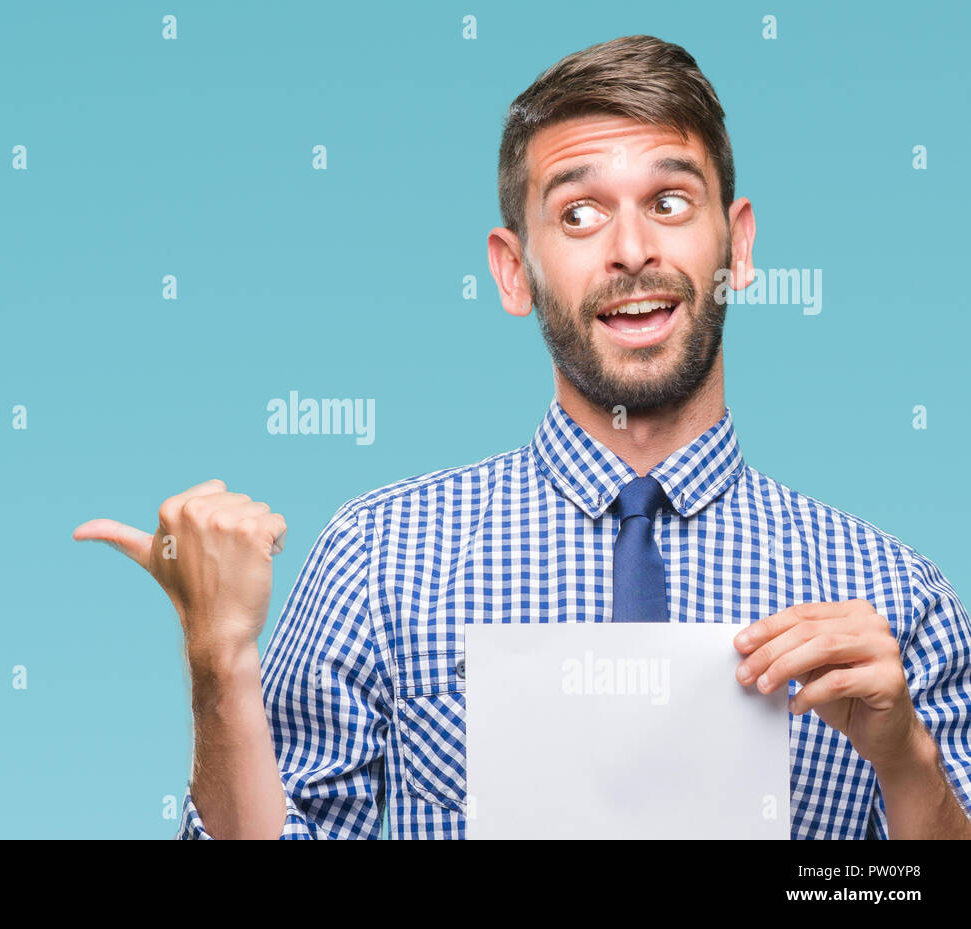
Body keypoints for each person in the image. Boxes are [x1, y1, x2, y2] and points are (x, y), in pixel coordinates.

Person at [74, 34, 971, 839]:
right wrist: (219, 663)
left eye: (669, 201)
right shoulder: (380, 559)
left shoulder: (893, 595)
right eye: (578, 213)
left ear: (736, 246)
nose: (630, 250)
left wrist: (906, 760)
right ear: (514, 271)